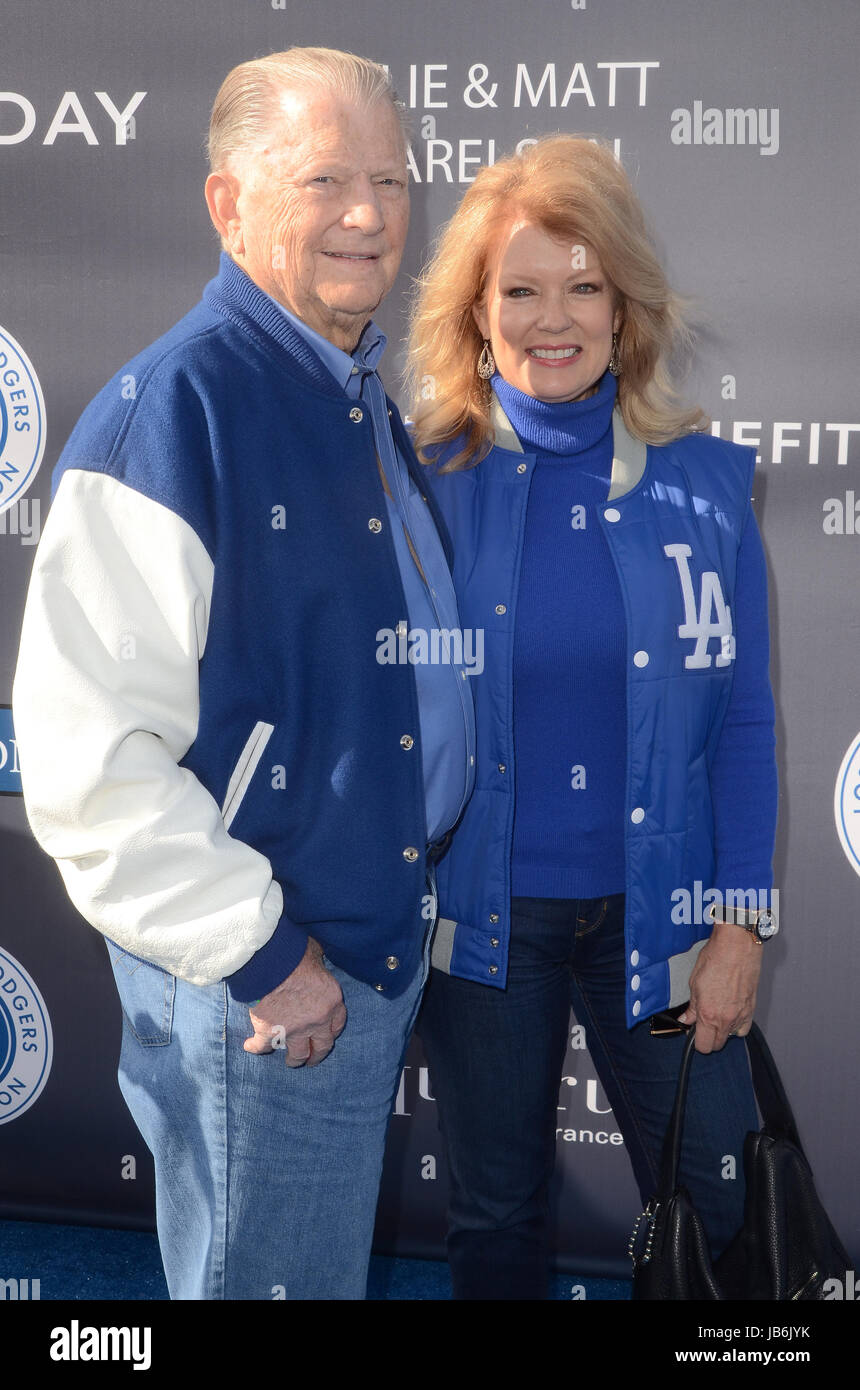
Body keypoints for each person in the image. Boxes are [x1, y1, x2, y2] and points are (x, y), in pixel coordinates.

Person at [12, 46, 475, 1301]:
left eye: (389, 176)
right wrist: (266, 958)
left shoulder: (351, 391)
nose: (371, 213)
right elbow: (89, 771)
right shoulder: (175, 410)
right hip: (264, 993)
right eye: (324, 176)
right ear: (228, 204)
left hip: (350, 956)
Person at [407, 134, 779, 1300]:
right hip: (482, 927)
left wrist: (738, 926)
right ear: (476, 310)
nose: (551, 317)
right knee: (494, 1219)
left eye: (583, 286)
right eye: (520, 288)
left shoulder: (708, 483)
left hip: (660, 919)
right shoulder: (421, 483)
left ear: (624, 309)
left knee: (727, 1211)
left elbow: (745, 725)